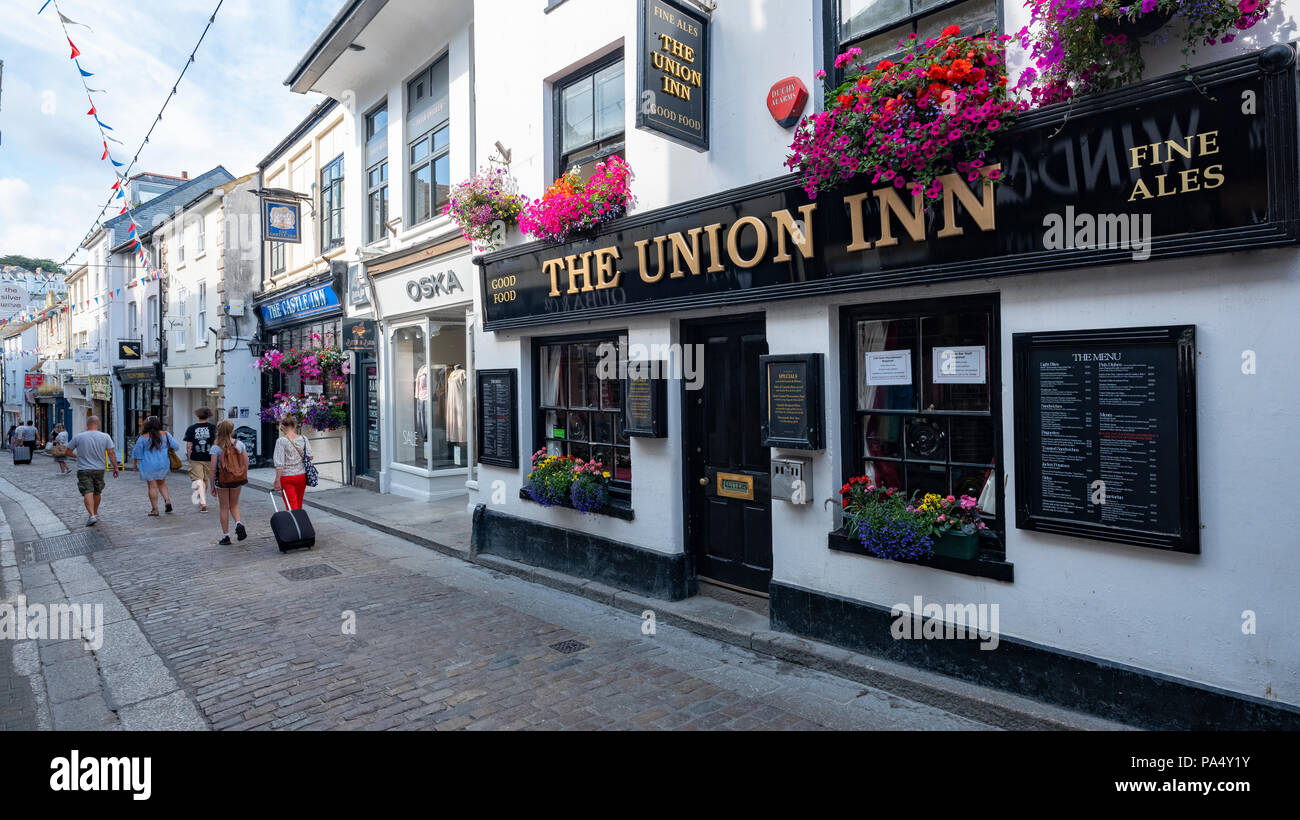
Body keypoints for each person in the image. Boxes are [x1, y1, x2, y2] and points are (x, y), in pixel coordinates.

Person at [64, 415, 119, 527]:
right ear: (98, 425)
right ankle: (95, 512)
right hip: (99, 469)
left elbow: (67, 452)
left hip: (83, 469)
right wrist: (115, 467)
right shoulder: (105, 436)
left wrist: (77, 456)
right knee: (97, 492)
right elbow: (111, 453)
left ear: (87, 424)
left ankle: (91, 515)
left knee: (87, 491)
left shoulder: (79, 437)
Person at [129, 416, 181, 516]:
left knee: (152, 486)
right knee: (162, 483)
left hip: (148, 464)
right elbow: (176, 446)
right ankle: (167, 501)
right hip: (163, 463)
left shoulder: (143, 437)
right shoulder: (165, 434)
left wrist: (135, 464)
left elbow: (137, 453)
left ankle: (155, 509)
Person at [210, 419, 248, 545]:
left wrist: (211, 486)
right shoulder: (239, 444)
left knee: (224, 507)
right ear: (232, 431)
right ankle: (238, 523)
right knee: (234, 504)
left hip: (222, 481)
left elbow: (213, 469)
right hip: (237, 479)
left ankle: (226, 536)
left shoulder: (216, 448)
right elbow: (246, 462)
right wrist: (241, 474)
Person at [272, 414, 312, 510]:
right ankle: (300, 523)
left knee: (291, 504)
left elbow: (279, 463)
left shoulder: (281, 441)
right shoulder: (303, 438)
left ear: (282, 426)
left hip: (287, 476)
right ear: (294, 425)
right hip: (301, 475)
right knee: (299, 502)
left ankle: (294, 524)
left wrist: (277, 479)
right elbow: (310, 456)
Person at [183, 407, 216, 513]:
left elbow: (189, 445)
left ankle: (203, 502)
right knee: (205, 480)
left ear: (197, 416)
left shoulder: (191, 428)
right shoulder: (213, 428)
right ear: (209, 416)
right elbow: (215, 444)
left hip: (196, 457)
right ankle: (203, 499)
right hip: (209, 457)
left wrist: (189, 457)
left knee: (199, 480)